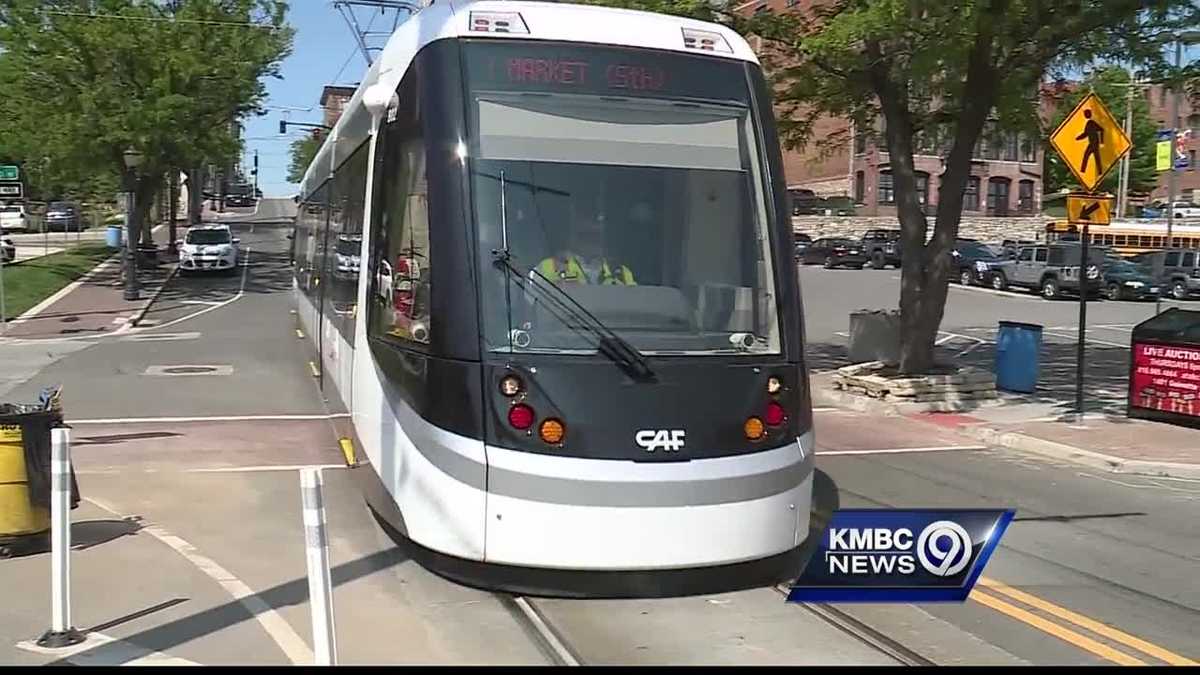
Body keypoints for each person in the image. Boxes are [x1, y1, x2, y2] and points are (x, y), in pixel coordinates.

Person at [537, 198, 636, 286]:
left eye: (600, 220)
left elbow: (638, 303)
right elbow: (530, 303)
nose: (595, 226)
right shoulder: (547, 268)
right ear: (572, 228)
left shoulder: (622, 274)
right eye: (587, 234)